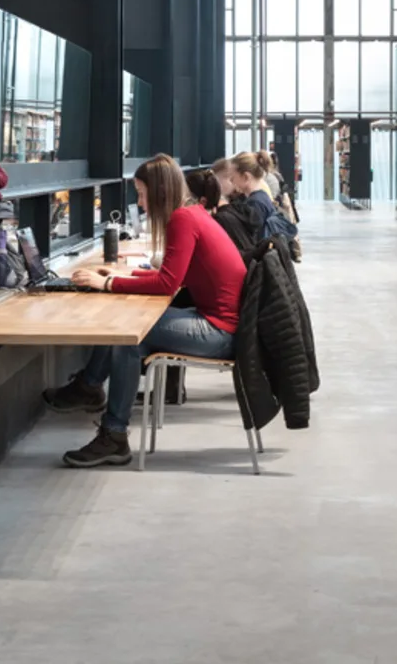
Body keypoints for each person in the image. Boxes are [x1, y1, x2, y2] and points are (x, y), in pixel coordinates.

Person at [42, 153, 247, 468]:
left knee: (130, 335)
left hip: (220, 331)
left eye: (140, 193)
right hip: (219, 322)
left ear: (159, 191)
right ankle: (97, 403)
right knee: (129, 331)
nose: (139, 202)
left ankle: (103, 414)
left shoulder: (184, 219)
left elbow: (167, 284)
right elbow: (174, 277)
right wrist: (119, 277)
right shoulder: (193, 213)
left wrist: (109, 285)